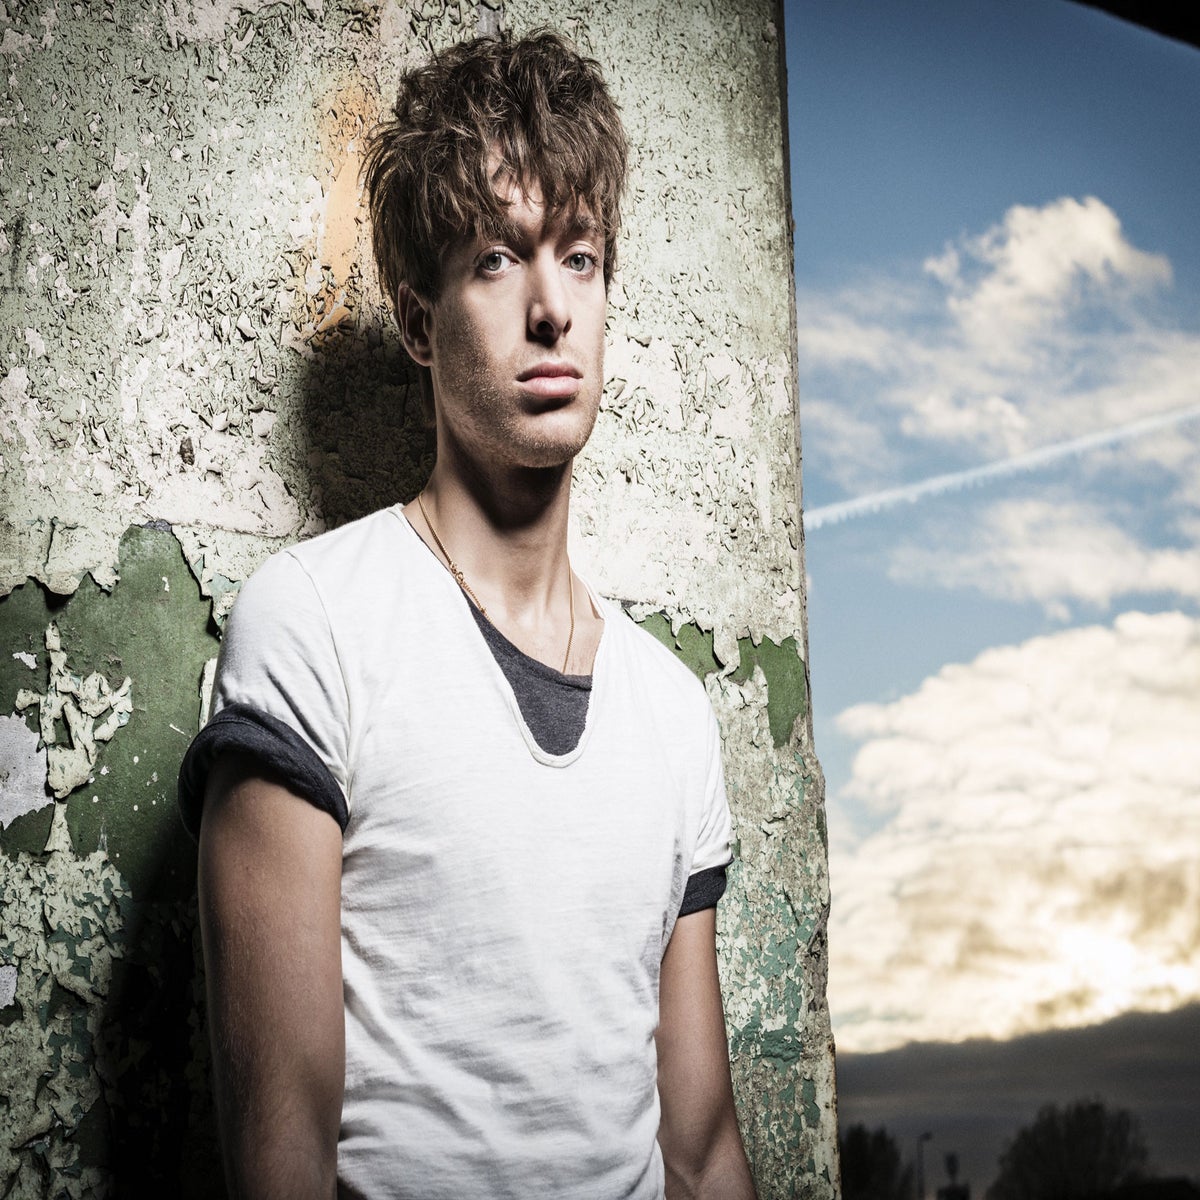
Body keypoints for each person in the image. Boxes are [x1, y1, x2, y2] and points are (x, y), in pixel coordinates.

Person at [178, 28, 756, 1200]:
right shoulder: (314, 625)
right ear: (416, 321)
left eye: (580, 257)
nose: (551, 309)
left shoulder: (673, 713)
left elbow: (699, 1152)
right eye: (497, 259)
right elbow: (283, 1153)